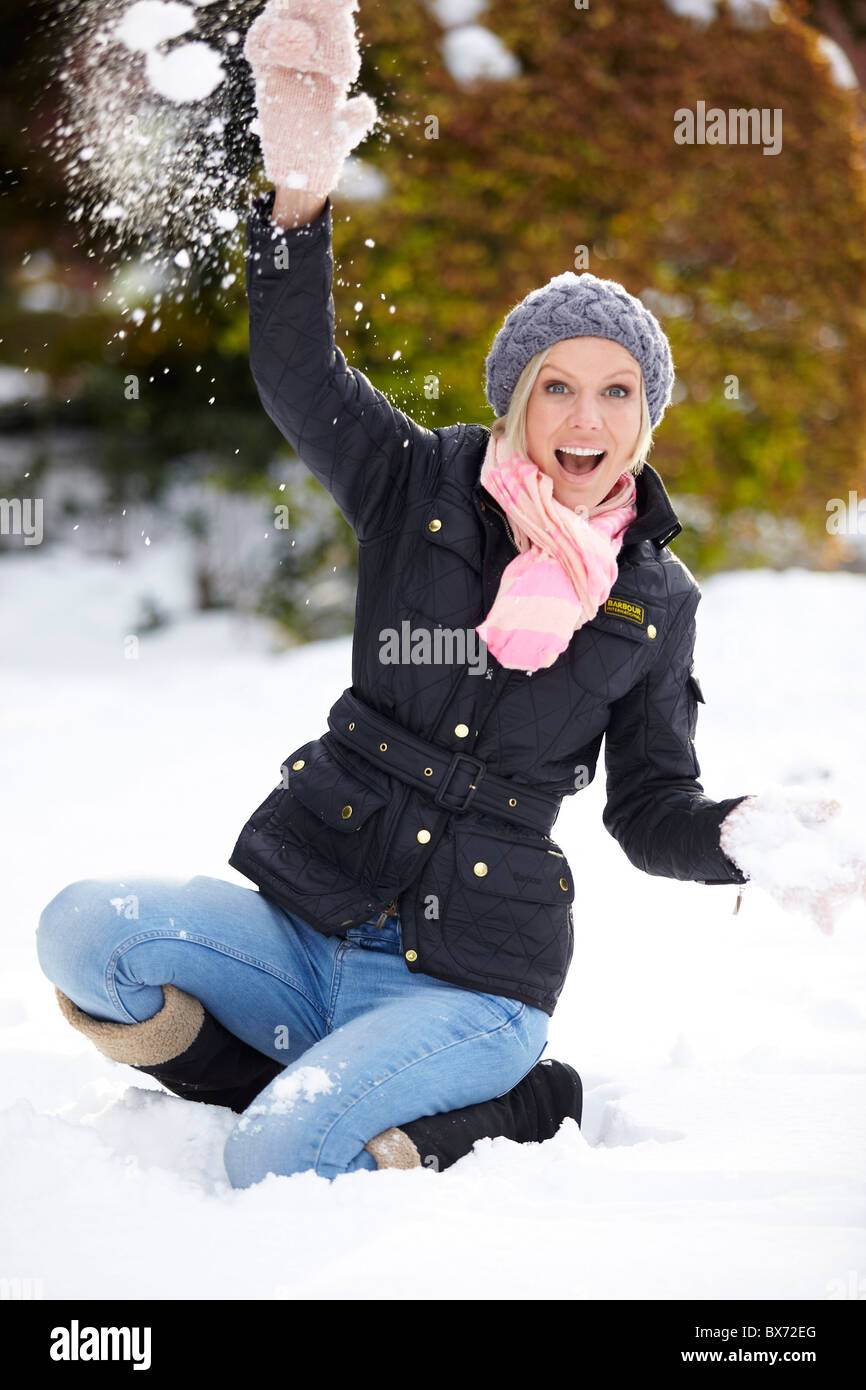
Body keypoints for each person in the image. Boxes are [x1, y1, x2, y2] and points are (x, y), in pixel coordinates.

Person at [35, 0, 856, 1187]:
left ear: (646, 415)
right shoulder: (414, 481)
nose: (585, 417)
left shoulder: (652, 597)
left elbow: (646, 807)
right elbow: (295, 371)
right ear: (516, 398)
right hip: (312, 912)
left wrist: (739, 838)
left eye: (617, 391)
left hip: (472, 971)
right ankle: (324, 1074)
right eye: (557, 386)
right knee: (83, 932)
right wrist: (300, 198)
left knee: (274, 1159)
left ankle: (519, 1099)